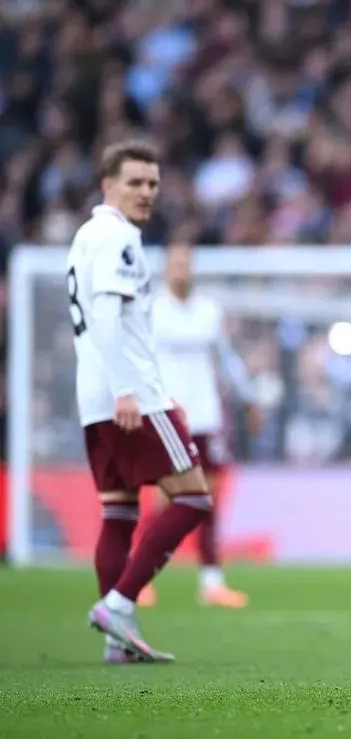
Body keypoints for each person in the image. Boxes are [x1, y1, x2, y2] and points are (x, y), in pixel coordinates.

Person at [66, 140, 213, 663]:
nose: (146, 192)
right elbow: (108, 316)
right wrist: (128, 388)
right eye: (135, 182)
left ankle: (117, 643)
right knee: (194, 498)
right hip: (130, 395)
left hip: (93, 398)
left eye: (152, 183)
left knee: (119, 512)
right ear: (107, 184)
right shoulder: (118, 238)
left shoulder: (86, 236)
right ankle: (118, 603)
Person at [140, 242, 261, 609]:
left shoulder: (208, 311)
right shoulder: (152, 311)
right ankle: (139, 578)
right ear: (166, 269)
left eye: (186, 263)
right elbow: (138, 362)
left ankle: (211, 583)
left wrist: (249, 397)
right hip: (168, 419)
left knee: (207, 501)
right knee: (166, 500)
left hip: (206, 419)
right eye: (175, 263)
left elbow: (226, 359)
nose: (181, 269)